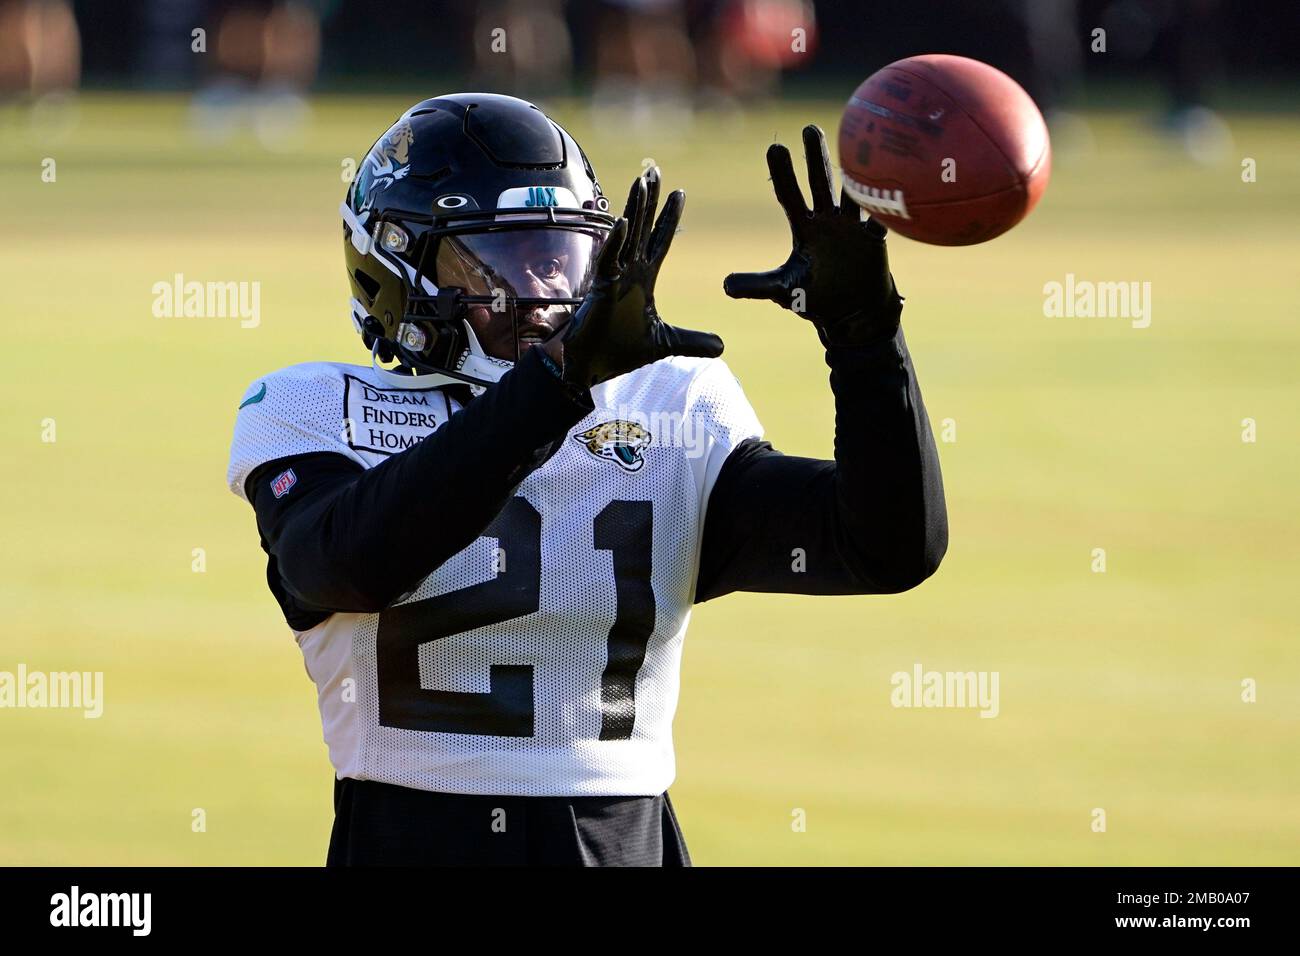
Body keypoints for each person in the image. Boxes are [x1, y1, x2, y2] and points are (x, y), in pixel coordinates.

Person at [226, 93, 947, 866]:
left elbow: (886, 548)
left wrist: (867, 343)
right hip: (412, 837)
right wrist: (553, 391)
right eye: (498, 259)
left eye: (558, 254)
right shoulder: (316, 407)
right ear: (396, 266)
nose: (541, 292)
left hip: (622, 844)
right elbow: (349, 564)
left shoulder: (669, 403)